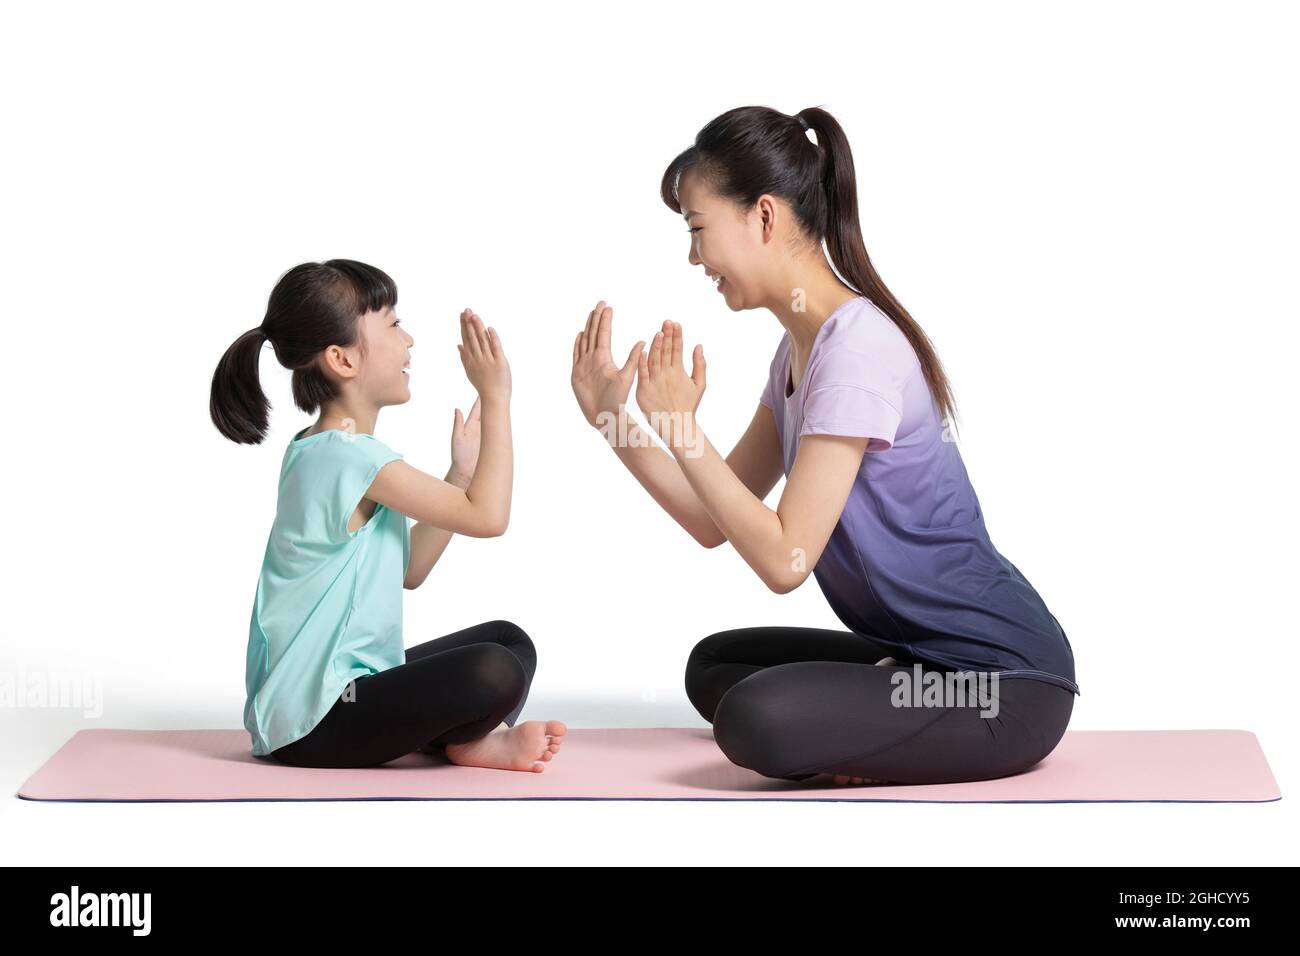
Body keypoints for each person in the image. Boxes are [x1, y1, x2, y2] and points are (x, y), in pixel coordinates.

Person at [570, 106, 1078, 786]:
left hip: (1001, 685)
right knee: (717, 667)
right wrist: (616, 423)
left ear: (764, 217)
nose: (695, 258)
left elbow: (786, 560)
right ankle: (872, 718)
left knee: (757, 719)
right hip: (915, 657)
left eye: (698, 230)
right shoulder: (798, 351)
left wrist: (683, 430)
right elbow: (711, 520)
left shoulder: (856, 350)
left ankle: (869, 730)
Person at [210, 258, 565, 770]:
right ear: (343, 359)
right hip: (316, 721)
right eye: (394, 324)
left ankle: (457, 739)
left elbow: (409, 572)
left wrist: (460, 476)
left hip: (348, 696)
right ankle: (464, 740)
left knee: (508, 641)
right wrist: (497, 394)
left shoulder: (331, 450)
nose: (410, 340)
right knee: (494, 669)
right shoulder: (351, 457)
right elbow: (490, 518)